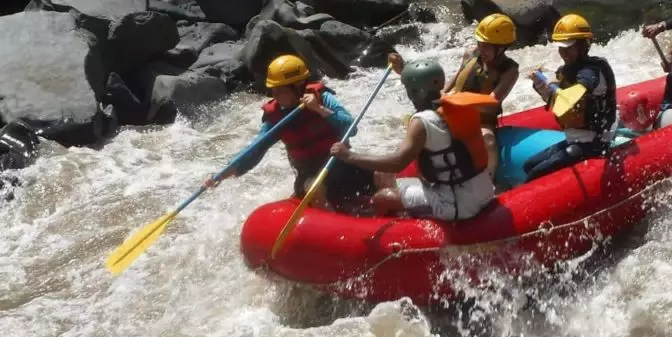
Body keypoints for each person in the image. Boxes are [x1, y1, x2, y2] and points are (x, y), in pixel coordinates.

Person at [331, 54, 496, 221]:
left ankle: (404, 231)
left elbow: (397, 163)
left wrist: (349, 156)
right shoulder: (453, 103)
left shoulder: (422, 122)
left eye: (409, 88)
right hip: (483, 191)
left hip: (457, 204)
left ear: (413, 92)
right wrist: (402, 69)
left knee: (382, 198)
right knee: (382, 175)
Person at [205, 54, 375, 208]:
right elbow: (254, 150)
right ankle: (333, 228)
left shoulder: (322, 99)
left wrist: (319, 109)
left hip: (342, 163)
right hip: (310, 175)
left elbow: (351, 128)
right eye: (273, 89)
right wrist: (220, 175)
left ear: (298, 85)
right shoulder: (276, 117)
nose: (275, 95)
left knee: (381, 172)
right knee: (315, 189)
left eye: (280, 89)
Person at [522, 13, 618, 182]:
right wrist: (540, 85)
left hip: (595, 142)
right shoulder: (565, 70)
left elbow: (582, 87)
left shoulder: (594, 71)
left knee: (535, 174)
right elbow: (558, 103)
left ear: (583, 45)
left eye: (569, 47)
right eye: (561, 47)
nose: (563, 53)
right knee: (529, 165)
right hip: (574, 138)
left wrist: (560, 86)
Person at [445, 13, 519, 174]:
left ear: (501, 48)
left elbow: (491, 102)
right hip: (452, 113)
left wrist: (458, 101)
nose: (481, 48)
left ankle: (489, 180)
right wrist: (443, 93)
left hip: (481, 120)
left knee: (489, 142)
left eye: (487, 46)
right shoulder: (471, 53)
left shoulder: (510, 70)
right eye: (480, 43)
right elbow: (458, 76)